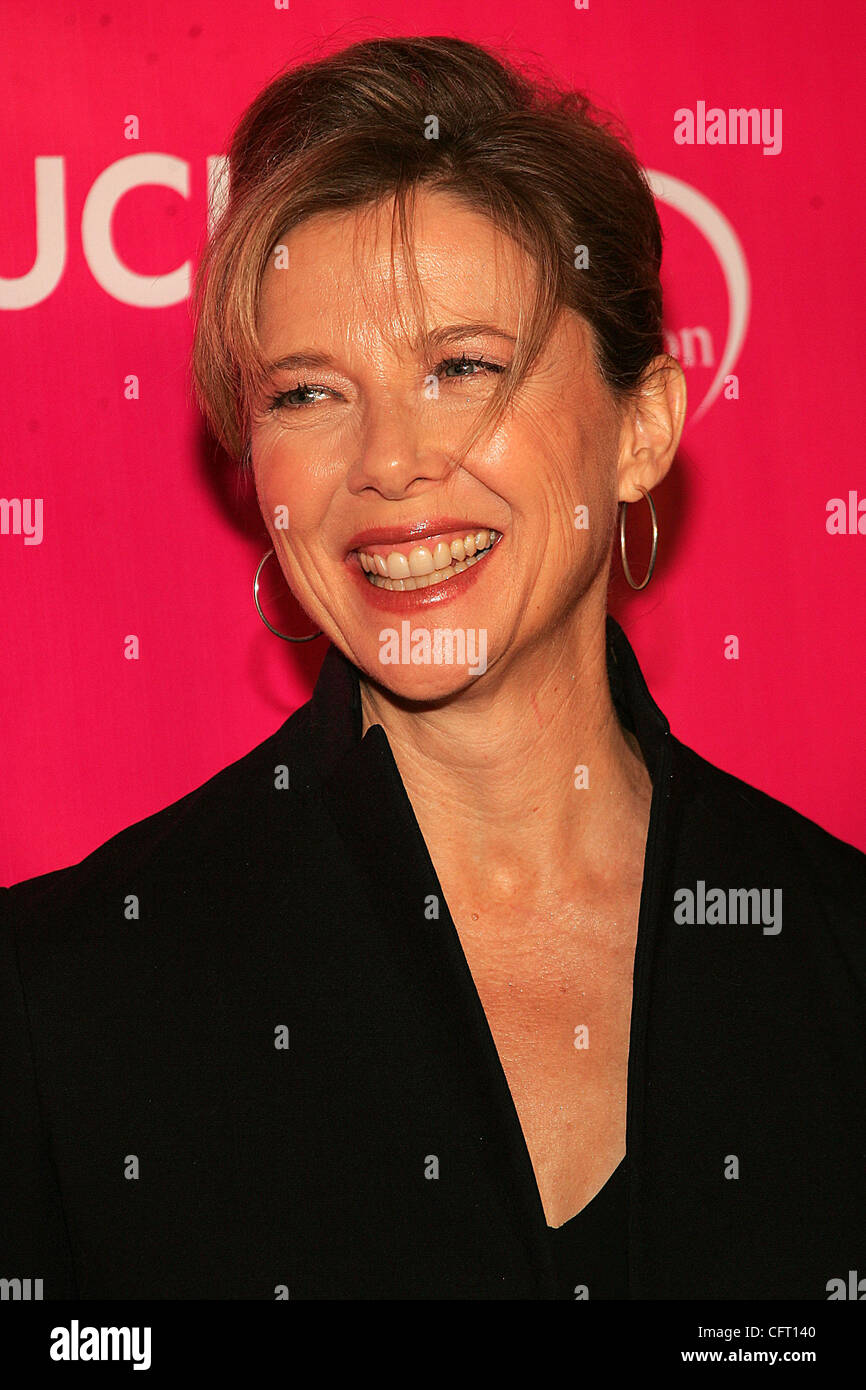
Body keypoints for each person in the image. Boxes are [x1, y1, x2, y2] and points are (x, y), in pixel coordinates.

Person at [2, 35, 863, 1301]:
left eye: (461, 367)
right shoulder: (62, 999)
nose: (389, 463)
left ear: (642, 429)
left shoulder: (835, 956)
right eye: (306, 394)